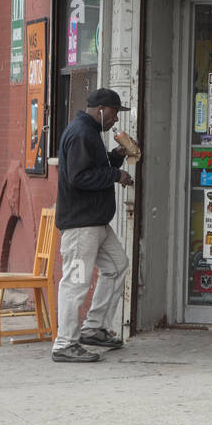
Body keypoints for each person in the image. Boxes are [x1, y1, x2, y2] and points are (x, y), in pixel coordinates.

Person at [51, 87, 135, 363]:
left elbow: (91, 166)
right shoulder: (81, 133)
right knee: (75, 283)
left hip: (95, 222)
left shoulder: (89, 132)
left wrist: (115, 157)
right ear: (102, 110)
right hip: (80, 225)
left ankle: (94, 328)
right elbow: (79, 177)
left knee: (117, 266)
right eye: (113, 114)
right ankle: (64, 344)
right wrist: (116, 174)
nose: (115, 121)